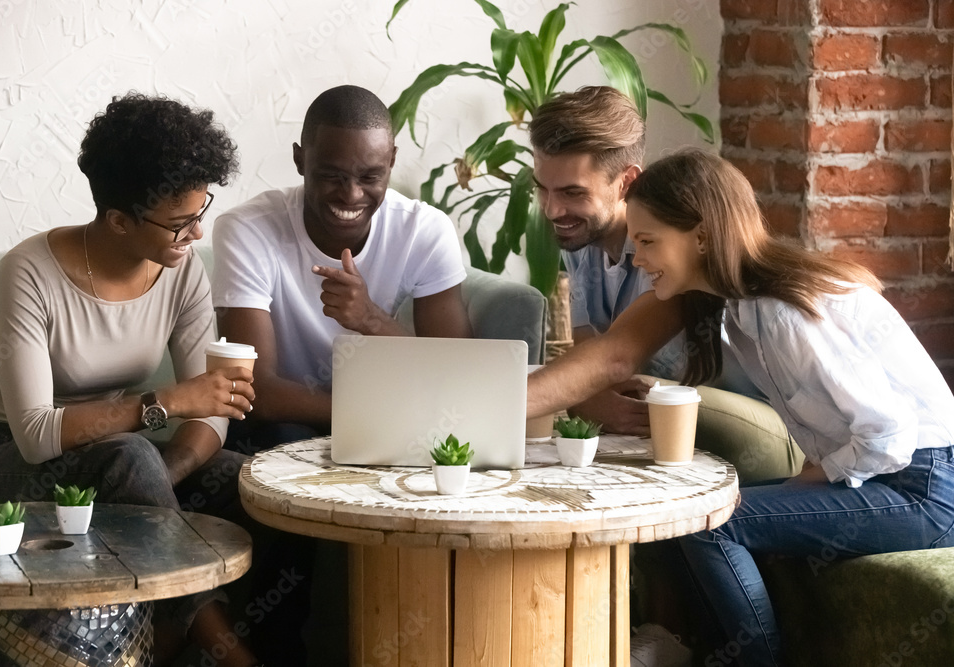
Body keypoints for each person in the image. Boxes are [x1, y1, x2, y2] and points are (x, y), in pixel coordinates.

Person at [529, 148, 954, 666]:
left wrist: (816, 477)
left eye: (648, 242)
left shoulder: (782, 312)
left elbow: (888, 436)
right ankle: (696, 650)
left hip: (924, 489)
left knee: (714, 523)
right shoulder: (740, 309)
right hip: (894, 478)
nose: (637, 260)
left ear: (702, 237)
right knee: (682, 515)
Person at [0, 93, 264, 667]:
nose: (197, 233)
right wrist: (166, 403)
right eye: (180, 223)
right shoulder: (29, 271)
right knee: (130, 456)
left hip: (111, 456)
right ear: (119, 220)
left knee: (247, 482)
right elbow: (35, 435)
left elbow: (210, 409)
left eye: (201, 212)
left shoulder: (181, 271)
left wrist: (164, 474)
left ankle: (176, 647)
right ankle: (232, 655)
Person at [529, 86, 799, 482]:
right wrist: (589, 395)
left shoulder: (671, 250)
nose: (553, 210)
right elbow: (588, 356)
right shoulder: (581, 236)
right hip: (671, 425)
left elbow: (614, 360)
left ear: (626, 182)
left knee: (656, 393)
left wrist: (486, 405)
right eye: (542, 188)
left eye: (573, 192)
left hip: (766, 423)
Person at [212, 84, 472, 452]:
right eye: (332, 176)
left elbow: (458, 375)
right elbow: (257, 391)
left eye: (370, 177)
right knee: (280, 437)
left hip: (386, 423)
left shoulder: (423, 231)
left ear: (392, 160)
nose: (351, 195)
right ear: (300, 160)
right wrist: (373, 417)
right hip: (284, 425)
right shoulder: (248, 229)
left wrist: (370, 319)